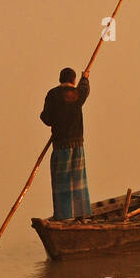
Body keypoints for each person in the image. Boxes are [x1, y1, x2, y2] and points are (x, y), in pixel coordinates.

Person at [40, 66, 91, 219]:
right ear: (73, 80)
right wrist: (85, 78)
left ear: (60, 79)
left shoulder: (52, 94)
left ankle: (62, 215)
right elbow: (84, 90)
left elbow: (46, 119)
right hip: (77, 145)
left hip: (60, 145)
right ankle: (80, 215)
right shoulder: (76, 94)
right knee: (77, 180)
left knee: (61, 182)